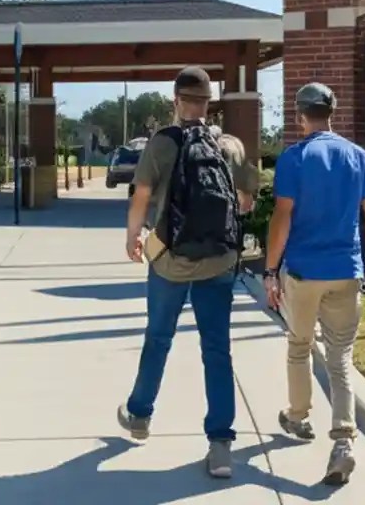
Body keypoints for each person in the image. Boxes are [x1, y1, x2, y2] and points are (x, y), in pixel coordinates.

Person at [117, 66, 259, 479]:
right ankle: (220, 447)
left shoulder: (163, 143)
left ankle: (140, 415)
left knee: (158, 338)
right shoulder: (228, 145)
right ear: (208, 103)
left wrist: (133, 237)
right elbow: (248, 199)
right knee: (216, 350)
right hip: (218, 262)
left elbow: (141, 195)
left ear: (177, 100)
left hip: (170, 263)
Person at [262, 81, 365, 487]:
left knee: (300, 347)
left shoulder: (294, 159)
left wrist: (269, 270)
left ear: (301, 115)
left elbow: (282, 218)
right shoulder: (360, 158)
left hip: (302, 272)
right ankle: (344, 443)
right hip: (347, 271)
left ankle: (298, 417)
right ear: (331, 112)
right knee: (341, 359)